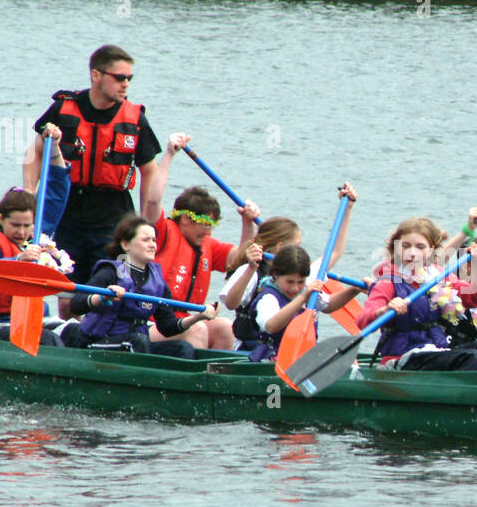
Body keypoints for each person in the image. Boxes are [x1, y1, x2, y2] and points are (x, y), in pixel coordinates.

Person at [22, 45, 180, 292]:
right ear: (96, 75)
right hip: (68, 208)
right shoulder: (64, 108)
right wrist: (29, 195)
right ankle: (70, 328)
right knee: (68, 287)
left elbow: (148, 170)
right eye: (119, 77)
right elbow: (36, 151)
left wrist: (144, 221)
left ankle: (100, 328)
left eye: (129, 78)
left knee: (109, 285)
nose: (125, 83)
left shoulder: (135, 118)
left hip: (113, 213)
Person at [138, 135, 260, 350]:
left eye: (212, 225)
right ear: (185, 219)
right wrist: (169, 155)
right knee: (198, 328)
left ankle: (216, 380)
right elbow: (154, 200)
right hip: (152, 323)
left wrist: (247, 223)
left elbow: (240, 258)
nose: (208, 231)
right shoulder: (163, 233)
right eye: (204, 224)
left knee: (224, 327)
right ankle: (191, 382)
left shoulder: (207, 245)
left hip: (184, 322)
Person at [0, 124, 71, 347]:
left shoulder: (36, 233)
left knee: (76, 332)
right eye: (15, 225)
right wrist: (19, 260)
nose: (21, 232)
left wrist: (55, 147)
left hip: (32, 317)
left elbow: (58, 190)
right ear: (1, 219)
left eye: (26, 225)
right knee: (49, 340)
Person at [218, 184, 358, 348]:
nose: (296, 286)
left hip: (295, 348)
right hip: (256, 349)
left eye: (299, 282)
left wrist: (347, 207)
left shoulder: (303, 273)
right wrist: (250, 269)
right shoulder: (254, 273)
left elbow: (334, 252)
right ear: (280, 247)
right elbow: (231, 304)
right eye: (297, 245)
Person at [62, 214, 216, 358]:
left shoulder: (158, 282)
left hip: (137, 344)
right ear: (126, 244)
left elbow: (167, 327)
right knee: (138, 342)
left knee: (183, 348)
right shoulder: (111, 271)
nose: (152, 245)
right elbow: (76, 305)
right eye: (146, 240)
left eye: (154, 240)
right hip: (99, 342)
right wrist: (102, 297)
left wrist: (198, 317)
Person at [357, 218, 477, 370]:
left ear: (431, 250)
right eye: (405, 246)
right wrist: (385, 310)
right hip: (402, 357)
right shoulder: (388, 282)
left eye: (420, 247)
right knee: (473, 358)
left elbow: (476, 298)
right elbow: (362, 321)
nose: (412, 253)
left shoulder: (438, 276)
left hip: (434, 350)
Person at [237, 245, 362, 363]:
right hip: (272, 359)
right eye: (289, 282)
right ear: (275, 275)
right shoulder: (269, 297)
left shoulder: (306, 290)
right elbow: (271, 326)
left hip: (303, 358)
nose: (295, 288)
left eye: (300, 282)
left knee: (350, 359)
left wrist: (354, 290)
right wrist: (302, 298)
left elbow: (328, 305)